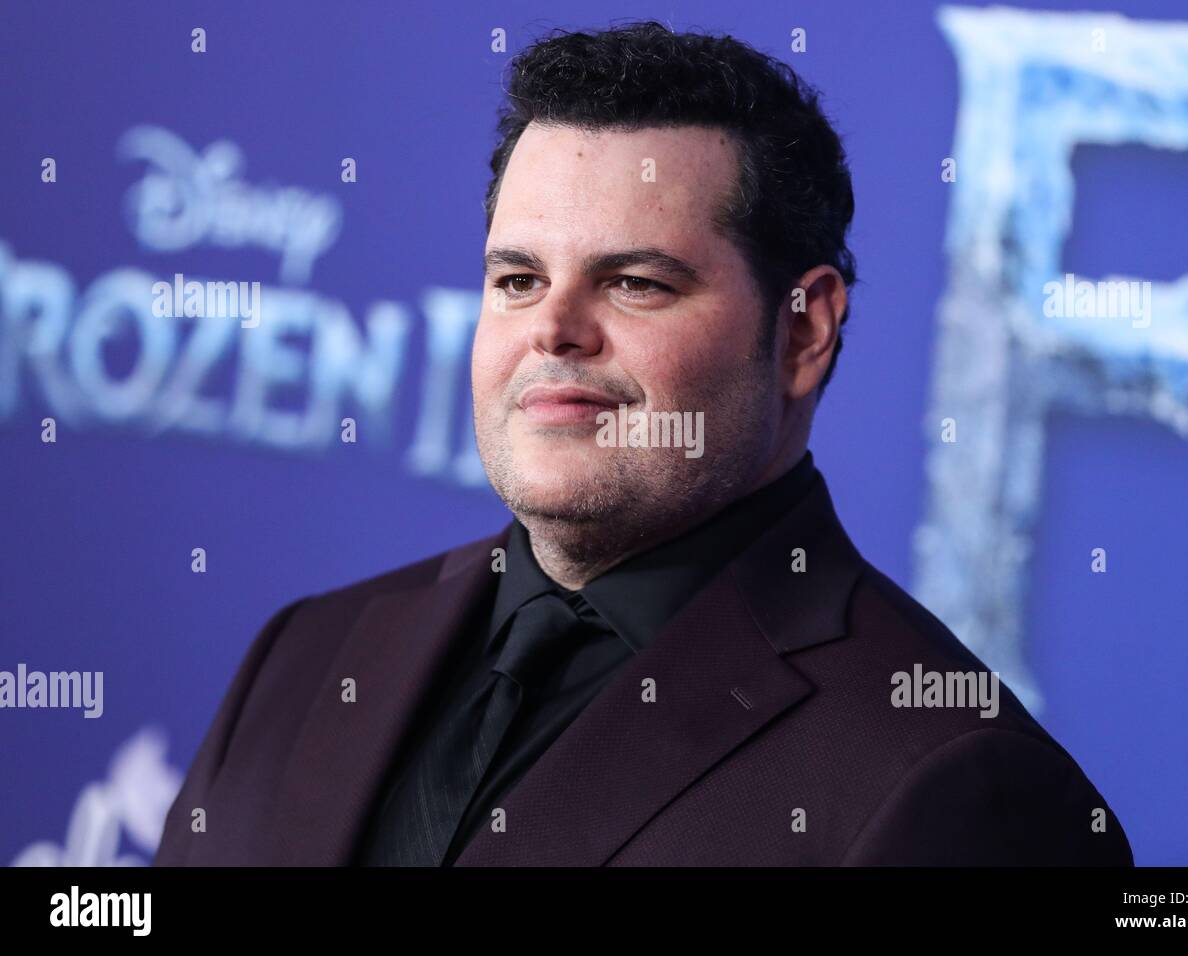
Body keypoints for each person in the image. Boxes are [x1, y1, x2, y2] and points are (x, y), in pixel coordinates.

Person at [154, 20, 1132, 866]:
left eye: (635, 282)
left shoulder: (956, 784)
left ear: (802, 329)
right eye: (518, 278)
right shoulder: (306, 652)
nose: (554, 329)